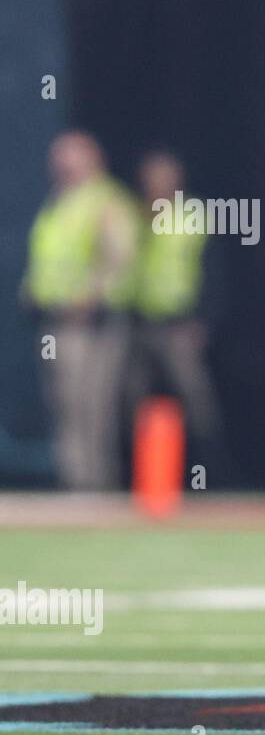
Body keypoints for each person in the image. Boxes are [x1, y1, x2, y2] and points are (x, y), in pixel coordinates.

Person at [22, 131, 138, 490]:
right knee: (66, 411)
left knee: (93, 411)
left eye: (71, 155)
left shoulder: (106, 201)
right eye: (59, 156)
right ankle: (76, 489)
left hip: (91, 326)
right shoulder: (59, 201)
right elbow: (50, 258)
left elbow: (121, 260)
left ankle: (94, 491)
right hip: (55, 322)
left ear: (93, 158)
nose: (62, 163)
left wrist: (91, 297)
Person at [129, 151, 224, 468]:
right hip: (140, 323)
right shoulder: (135, 215)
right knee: (136, 402)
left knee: (196, 403)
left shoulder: (194, 215)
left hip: (180, 325)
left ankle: (210, 475)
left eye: (165, 174)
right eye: (153, 175)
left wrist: (203, 321)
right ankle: (145, 479)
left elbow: (215, 271)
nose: (159, 182)